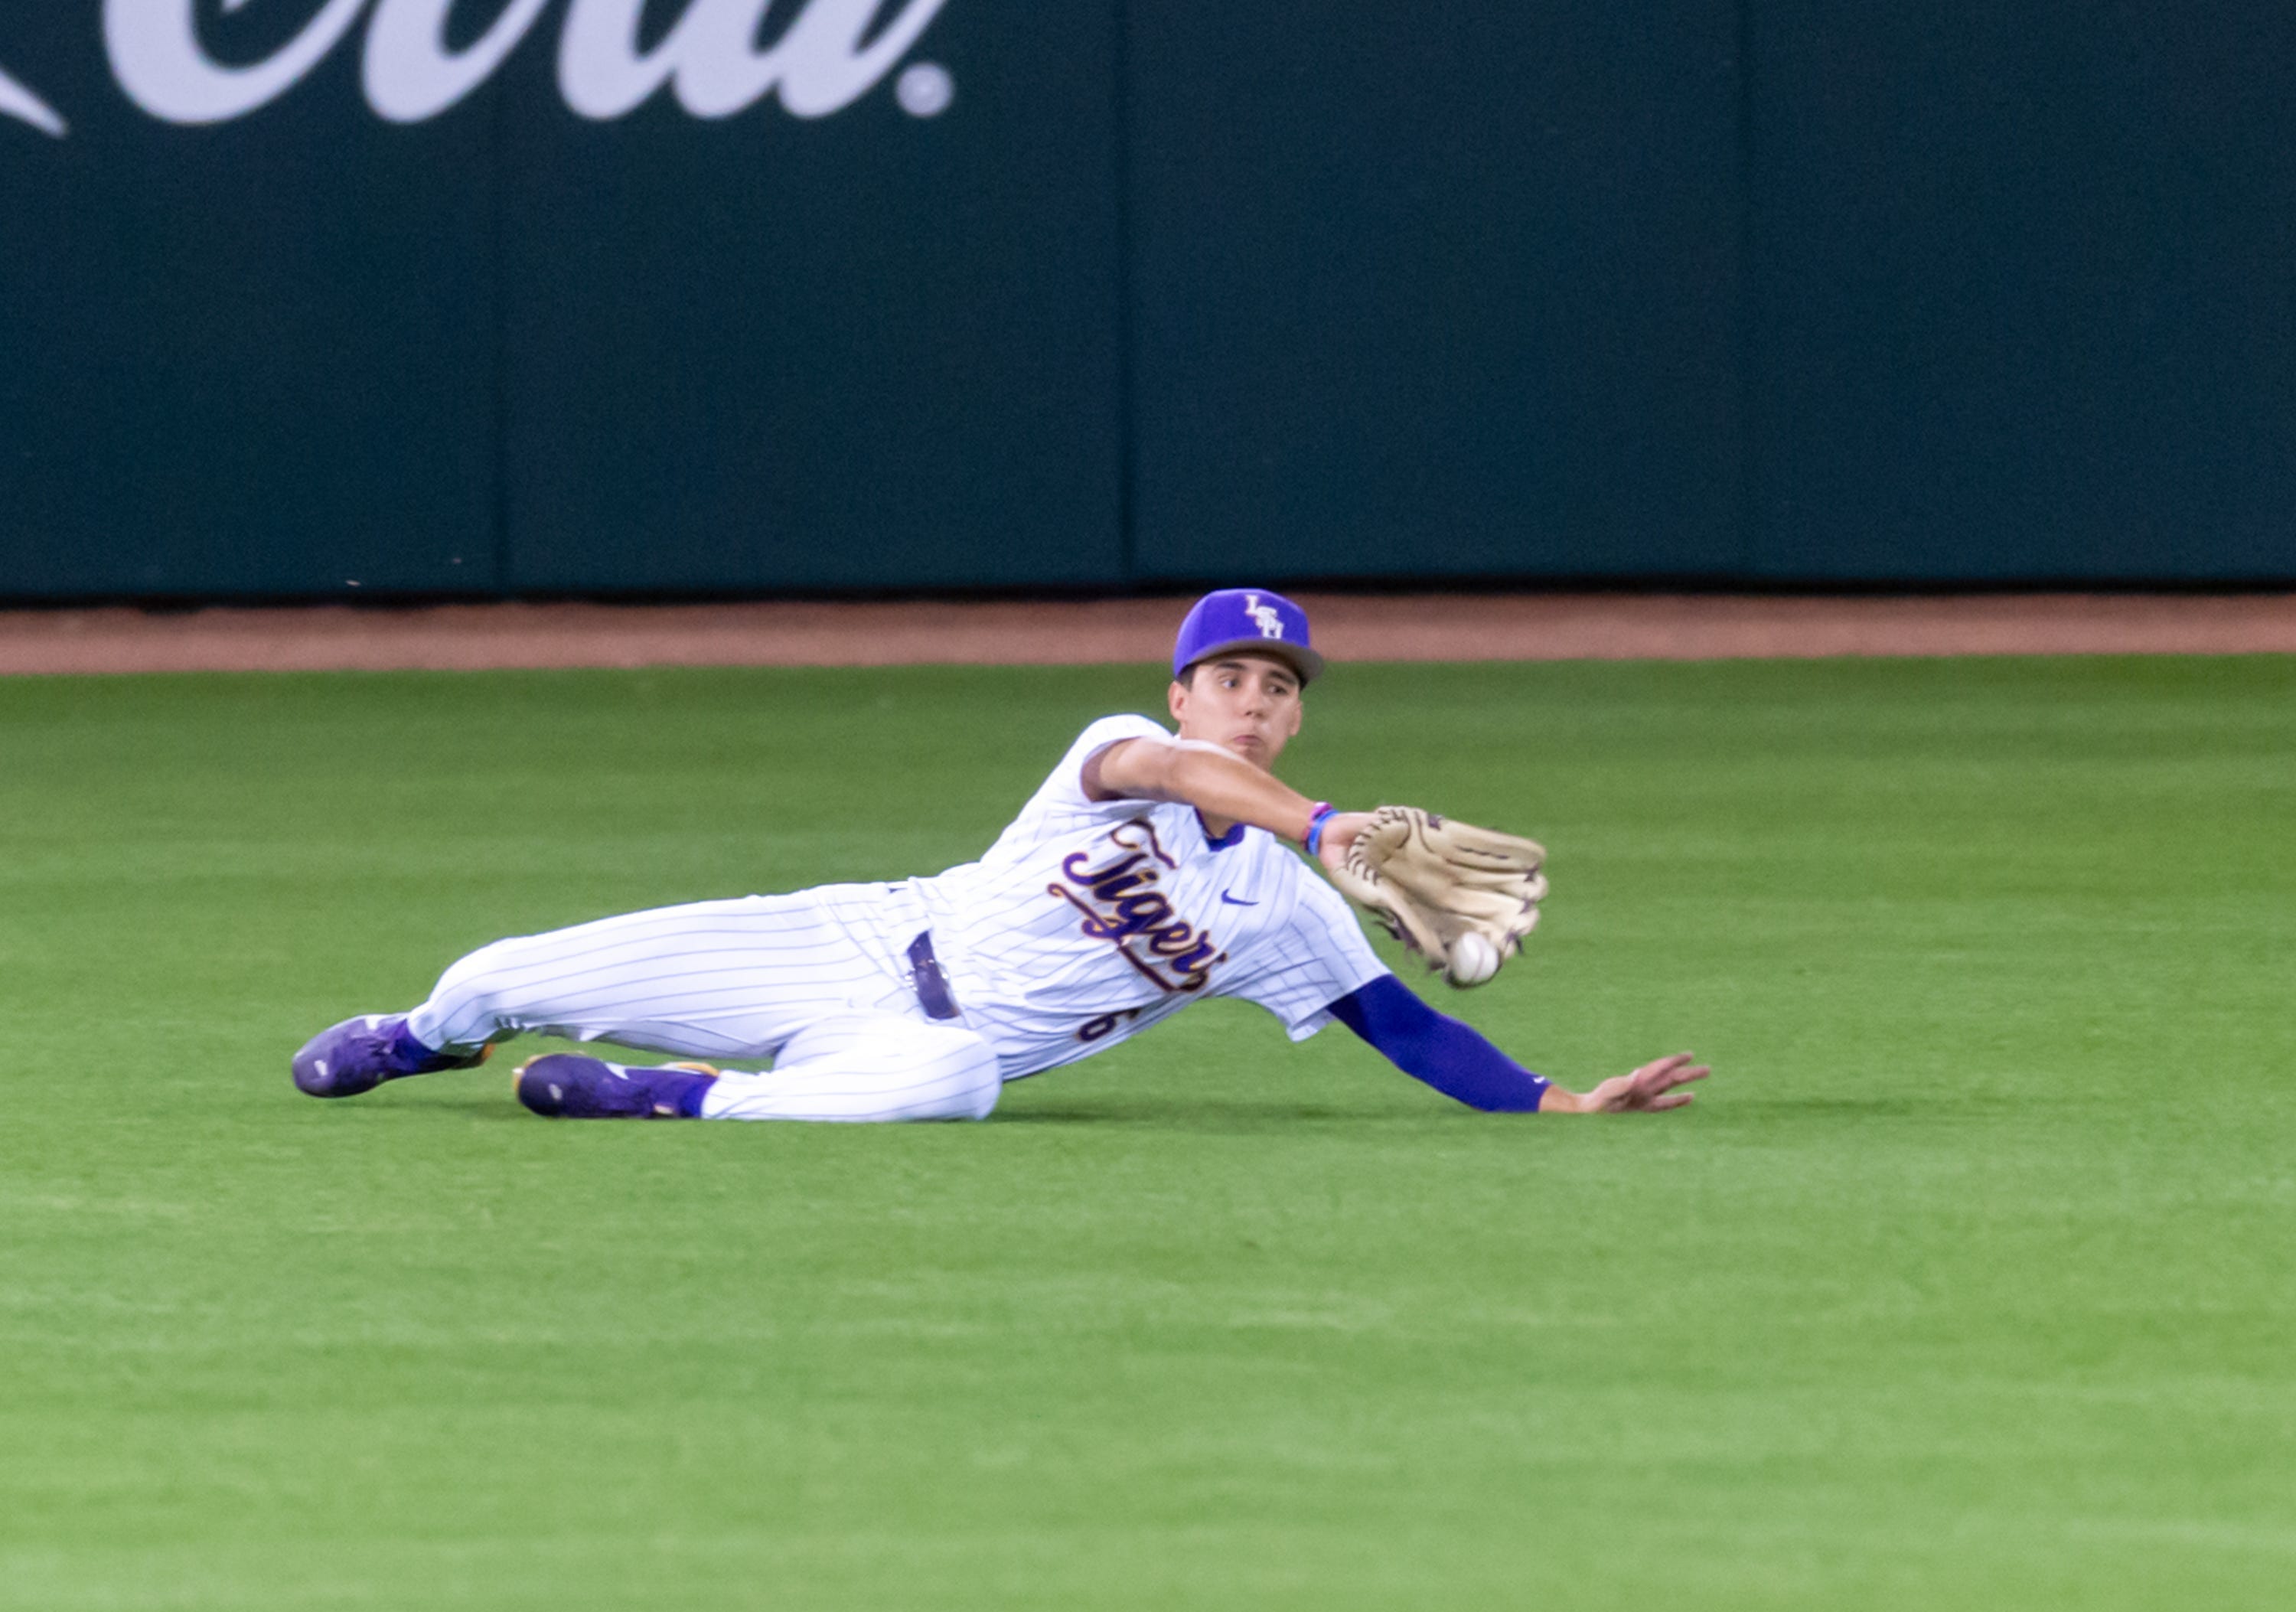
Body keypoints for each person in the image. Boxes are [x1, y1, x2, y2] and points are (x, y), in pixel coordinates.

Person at [290, 589, 1707, 1121]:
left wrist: (1563, 1102)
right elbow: (1176, 778)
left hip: (928, 1050)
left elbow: (1404, 1028)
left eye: (1281, 688)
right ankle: (425, 1040)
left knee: (958, 1084)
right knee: (499, 973)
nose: (1256, 702)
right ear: (1182, 693)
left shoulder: (1286, 908)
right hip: (856, 940)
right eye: (1231, 678)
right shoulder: (1124, 749)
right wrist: (1330, 823)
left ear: (1296, 715)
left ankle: (668, 1101)